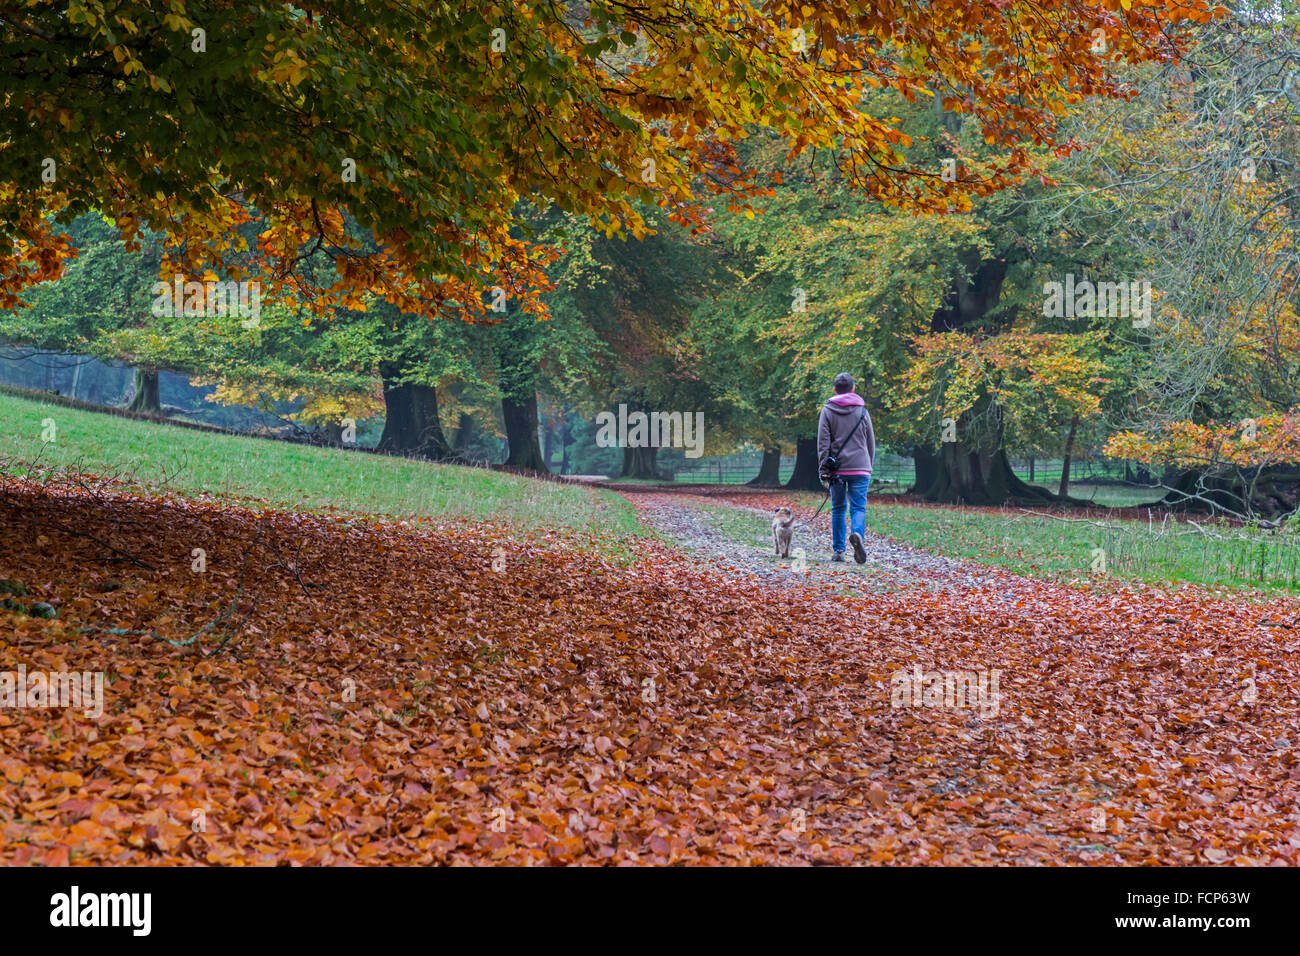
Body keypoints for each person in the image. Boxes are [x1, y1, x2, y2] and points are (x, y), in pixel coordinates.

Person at [817, 372, 875, 564]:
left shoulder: (827, 410)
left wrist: (823, 467)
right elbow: (870, 442)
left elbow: (823, 442)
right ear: (853, 388)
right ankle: (857, 535)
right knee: (858, 507)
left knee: (838, 509)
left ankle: (839, 551)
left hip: (837, 470)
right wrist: (868, 465)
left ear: (835, 389)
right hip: (860, 467)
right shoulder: (863, 411)